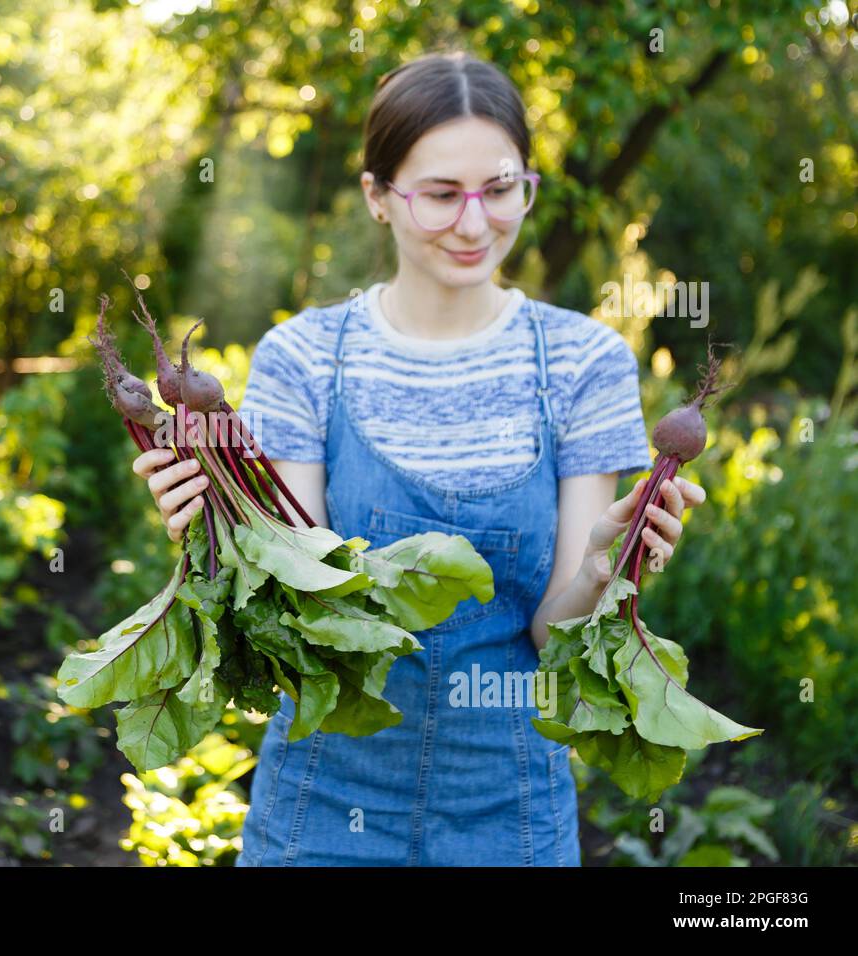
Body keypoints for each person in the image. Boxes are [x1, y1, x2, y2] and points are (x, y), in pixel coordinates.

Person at [130, 50, 705, 866]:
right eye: (440, 194)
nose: (475, 224)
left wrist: (602, 572)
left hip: (511, 811)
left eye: (501, 189)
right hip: (324, 807)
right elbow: (308, 617)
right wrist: (214, 530)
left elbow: (555, 637)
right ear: (378, 196)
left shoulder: (585, 363)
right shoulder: (304, 358)